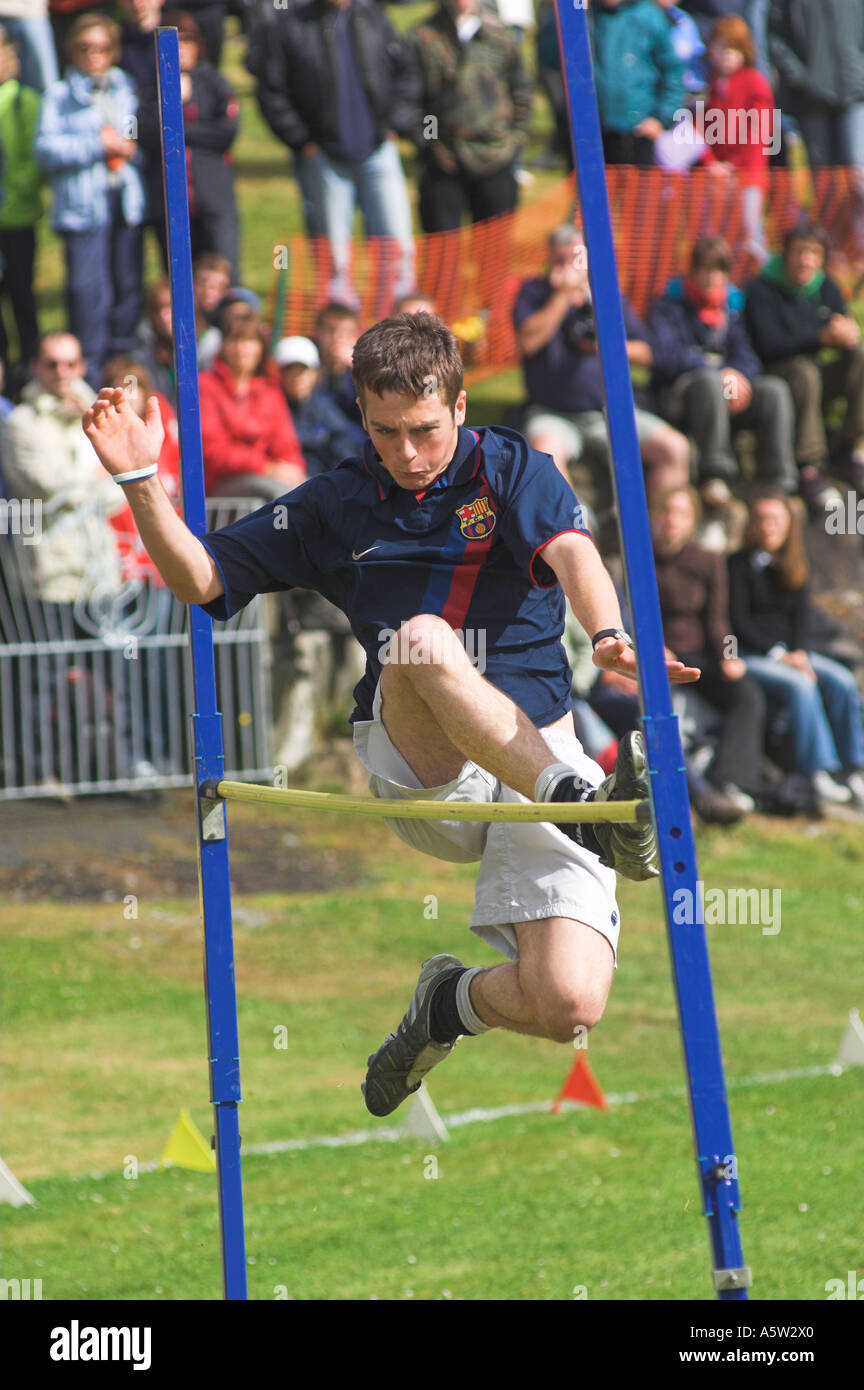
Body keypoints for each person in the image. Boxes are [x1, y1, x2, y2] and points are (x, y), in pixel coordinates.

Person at [83, 312, 700, 1118]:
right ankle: (585, 811)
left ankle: (446, 1005)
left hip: (533, 742)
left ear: (461, 406)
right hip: (424, 756)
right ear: (362, 418)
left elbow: (575, 552)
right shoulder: (337, 502)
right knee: (420, 637)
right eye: (385, 432)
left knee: (568, 1002)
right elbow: (201, 578)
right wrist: (140, 482)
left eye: (425, 431)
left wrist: (610, 634)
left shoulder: (515, 468)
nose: (407, 455)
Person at [513, 224, 690, 512]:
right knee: (545, 457)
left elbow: (647, 351)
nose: (567, 266)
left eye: (574, 258)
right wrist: (562, 296)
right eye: (559, 259)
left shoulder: (607, 297)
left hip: (608, 412)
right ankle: (581, 534)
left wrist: (603, 344)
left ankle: (664, 535)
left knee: (674, 448)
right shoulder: (535, 292)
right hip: (552, 413)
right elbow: (529, 341)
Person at [254, 0, 419, 306]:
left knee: (396, 250)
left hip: (378, 152)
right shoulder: (291, 27)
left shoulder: (374, 18)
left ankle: (399, 326)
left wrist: (395, 124)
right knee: (334, 258)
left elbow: (407, 74)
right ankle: (341, 332)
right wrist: (303, 142)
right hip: (325, 159)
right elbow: (271, 92)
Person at [728, 489, 864, 808]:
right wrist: (781, 655)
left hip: (792, 652)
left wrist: (800, 652)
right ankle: (819, 770)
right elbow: (738, 622)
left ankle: (854, 767)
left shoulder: (796, 565)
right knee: (800, 685)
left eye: (774, 519)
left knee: (842, 680)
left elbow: (803, 618)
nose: (767, 526)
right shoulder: (735, 565)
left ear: (789, 525)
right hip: (753, 654)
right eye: (760, 519)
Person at [34, 12, 145, 387]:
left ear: (112, 51)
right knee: (87, 293)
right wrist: (95, 145)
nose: (93, 55)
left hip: (123, 200)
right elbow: (45, 149)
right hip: (82, 208)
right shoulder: (60, 94)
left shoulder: (123, 86)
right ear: (73, 51)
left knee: (126, 289)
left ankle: (123, 373)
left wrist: (127, 145)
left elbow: (132, 130)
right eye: (85, 48)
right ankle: (89, 375)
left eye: (101, 48)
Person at [649, 235, 798, 507]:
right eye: (705, 269)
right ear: (692, 272)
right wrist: (718, 372)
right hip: (683, 394)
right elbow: (665, 356)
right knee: (709, 382)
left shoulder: (732, 310)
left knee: (774, 390)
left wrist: (738, 376)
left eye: (719, 271)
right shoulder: (668, 306)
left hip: (727, 391)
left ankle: (778, 481)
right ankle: (715, 475)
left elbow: (748, 357)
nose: (712, 278)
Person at [652, 484, 766, 820]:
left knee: (748, 696)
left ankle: (729, 781)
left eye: (682, 513)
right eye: (668, 511)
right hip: (660, 659)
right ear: (657, 516)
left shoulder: (708, 560)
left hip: (701, 657)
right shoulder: (642, 560)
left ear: (693, 521)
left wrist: (729, 655)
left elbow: (719, 619)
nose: (673, 520)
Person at [744, 221, 864, 497]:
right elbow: (769, 346)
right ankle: (808, 464)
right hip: (778, 377)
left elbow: (839, 325)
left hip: (815, 378)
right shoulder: (762, 290)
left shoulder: (826, 288)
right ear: (786, 254)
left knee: (859, 354)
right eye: (800, 252)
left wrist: (847, 334)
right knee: (805, 371)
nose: (806, 261)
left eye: (814, 253)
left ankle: (849, 446)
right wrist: (820, 338)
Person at [410, 0, 533, 231]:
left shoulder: (501, 36)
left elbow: (521, 92)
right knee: (442, 256)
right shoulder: (423, 37)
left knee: (493, 256)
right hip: (445, 162)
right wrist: (431, 144)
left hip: (496, 156)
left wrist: (514, 138)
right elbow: (421, 103)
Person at [137, 9, 240, 278]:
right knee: (178, 277)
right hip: (167, 204)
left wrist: (177, 131)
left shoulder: (215, 84)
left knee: (223, 273)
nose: (180, 49)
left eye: (187, 41)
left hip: (213, 198)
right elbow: (142, 131)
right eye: (174, 42)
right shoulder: (150, 89)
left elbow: (226, 131)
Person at [697, 14, 776, 264]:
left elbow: (759, 134)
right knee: (716, 238)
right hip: (718, 176)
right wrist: (712, 163)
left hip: (748, 175)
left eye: (732, 49)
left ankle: (759, 287)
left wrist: (738, 169)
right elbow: (700, 130)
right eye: (721, 47)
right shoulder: (710, 86)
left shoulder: (755, 83)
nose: (725, 55)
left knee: (750, 237)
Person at [198, 320, 306, 498]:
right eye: (235, 340)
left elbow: (286, 444)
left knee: (314, 491)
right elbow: (214, 451)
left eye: (249, 341)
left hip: (267, 476)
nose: (242, 348)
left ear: (260, 347)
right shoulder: (206, 386)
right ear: (223, 346)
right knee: (280, 493)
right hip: (221, 484)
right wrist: (264, 467)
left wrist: (293, 468)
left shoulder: (270, 390)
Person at [589, 0, 684, 166]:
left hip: (640, 132)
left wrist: (661, 118)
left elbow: (673, 72)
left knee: (638, 189)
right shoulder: (586, 14)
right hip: (594, 131)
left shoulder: (649, 16)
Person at [0, 25, 43, 393]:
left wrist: (14, 195)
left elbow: (33, 161)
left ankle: (29, 368)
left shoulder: (23, 101)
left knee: (21, 294)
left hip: (16, 219)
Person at [274, 334, 365, 474]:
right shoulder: (271, 405)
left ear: (314, 373)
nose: (297, 378)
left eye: (302, 371)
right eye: (290, 372)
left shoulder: (325, 408)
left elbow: (343, 447)